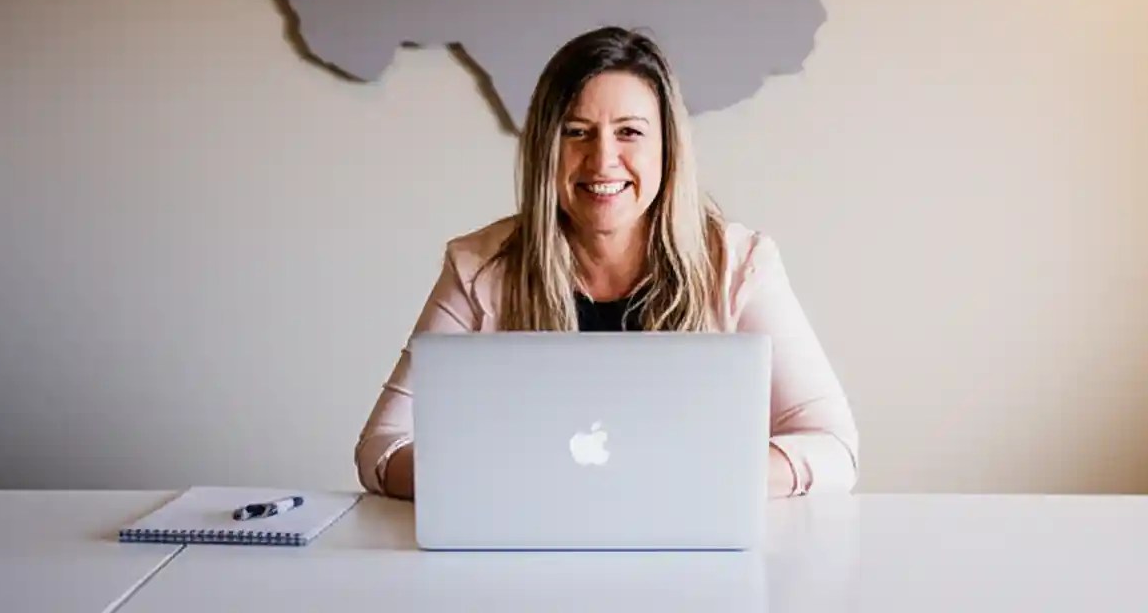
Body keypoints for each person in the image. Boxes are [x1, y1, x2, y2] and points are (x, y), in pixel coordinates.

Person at [354, 26, 858, 500]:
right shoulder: (479, 267)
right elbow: (384, 446)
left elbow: (832, 446)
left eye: (629, 133)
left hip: (690, 558)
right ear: (545, 149)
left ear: (668, 148)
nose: (602, 160)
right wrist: (509, 482)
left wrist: (683, 481)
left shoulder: (739, 264)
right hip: (528, 559)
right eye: (576, 132)